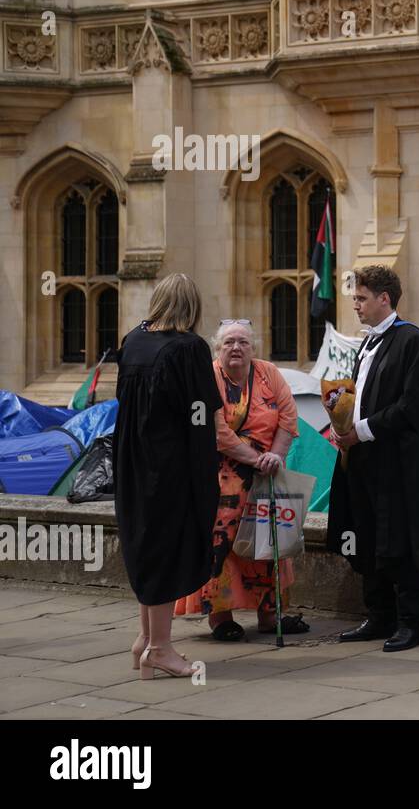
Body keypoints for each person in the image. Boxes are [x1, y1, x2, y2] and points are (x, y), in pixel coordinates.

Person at [326, 265, 419, 652]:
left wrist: (359, 430)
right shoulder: (367, 344)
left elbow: (413, 407)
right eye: (354, 300)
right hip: (366, 459)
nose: (356, 307)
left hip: (401, 464)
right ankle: (379, 616)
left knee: (401, 537)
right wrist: (340, 417)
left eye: (362, 299)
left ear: (385, 298)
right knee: (365, 533)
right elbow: (361, 394)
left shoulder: (414, 343)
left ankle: (411, 623)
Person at [174, 319, 310, 640]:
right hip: (221, 479)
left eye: (243, 342)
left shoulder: (269, 373)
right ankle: (221, 619)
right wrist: (255, 459)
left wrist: (274, 456)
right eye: (229, 343)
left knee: (270, 541)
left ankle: (270, 615)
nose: (236, 348)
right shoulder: (207, 376)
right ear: (217, 348)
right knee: (222, 545)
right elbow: (216, 432)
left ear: (253, 347)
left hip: (268, 475)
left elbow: (289, 417)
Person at [114, 273, 221, 680]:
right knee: (167, 548)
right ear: (192, 306)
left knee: (146, 543)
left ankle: (145, 639)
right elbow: (200, 416)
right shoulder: (189, 348)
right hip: (170, 463)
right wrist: (204, 475)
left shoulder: (132, 340)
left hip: (132, 460)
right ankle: (160, 649)